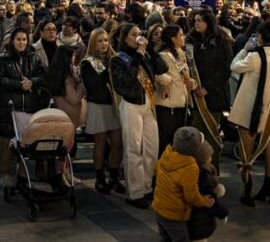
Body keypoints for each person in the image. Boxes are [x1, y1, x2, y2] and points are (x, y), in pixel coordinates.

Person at [229, 19, 270, 206]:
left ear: (259, 37)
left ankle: (248, 190)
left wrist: (245, 49)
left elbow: (235, 66)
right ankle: (268, 187)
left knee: (247, 151)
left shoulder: (254, 57)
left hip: (251, 110)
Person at [111, 22, 166, 207]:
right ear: (125, 38)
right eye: (134, 34)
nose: (138, 37)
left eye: (139, 33)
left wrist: (149, 47)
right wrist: (137, 57)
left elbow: (162, 68)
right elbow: (124, 83)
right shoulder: (118, 59)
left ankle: (148, 187)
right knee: (134, 148)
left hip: (149, 104)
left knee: (151, 148)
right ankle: (135, 192)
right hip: (131, 104)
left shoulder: (146, 54)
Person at [0, 29, 44, 188]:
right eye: (18, 39)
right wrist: (19, 84)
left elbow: (41, 77)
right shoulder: (4, 59)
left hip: (28, 106)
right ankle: (6, 174)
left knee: (25, 142)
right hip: (9, 108)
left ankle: (23, 174)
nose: (21, 42)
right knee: (7, 144)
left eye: (24, 39)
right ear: (12, 41)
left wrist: (32, 82)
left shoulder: (34, 58)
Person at [186, 8, 232, 168]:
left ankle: (212, 171)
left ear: (208, 23)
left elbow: (226, 69)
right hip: (195, 94)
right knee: (198, 134)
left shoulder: (222, 42)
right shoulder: (191, 40)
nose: (196, 23)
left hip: (215, 95)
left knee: (211, 135)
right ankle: (197, 171)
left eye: (200, 20)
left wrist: (207, 88)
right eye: (195, 20)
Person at [81, 28, 125, 195]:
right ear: (94, 43)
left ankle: (113, 177)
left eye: (106, 40)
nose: (104, 44)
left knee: (117, 142)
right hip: (98, 105)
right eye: (100, 41)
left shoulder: (115, 59)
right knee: (100, 142)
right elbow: (93, 86)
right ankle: (100, 179)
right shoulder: (88, 62)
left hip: (115, 105)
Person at [151, 126, 212, 242]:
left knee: (166, 238)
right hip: (174, 216)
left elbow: (155, 170)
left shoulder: (167, 154)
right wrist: (203, 201)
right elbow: (191, 195)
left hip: (158, 209)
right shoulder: (190, 167)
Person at [155, 25, 195, 157]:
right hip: (167, 105)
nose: (184, 37)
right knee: (166, 142)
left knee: (178, 143)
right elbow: (156, 75)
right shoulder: (162, 55)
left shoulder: (181, 54)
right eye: (181, 35)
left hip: (182, 103)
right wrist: (167, 81)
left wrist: (192, 83)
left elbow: (187, 76)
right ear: (173, 38)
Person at [187, 140, 230, 242]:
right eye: (209, 155)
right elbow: (212, 201)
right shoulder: (205, 177)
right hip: (199, 223)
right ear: (204, 158)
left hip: (188, 219)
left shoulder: (189, 171)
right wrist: (224, 213)